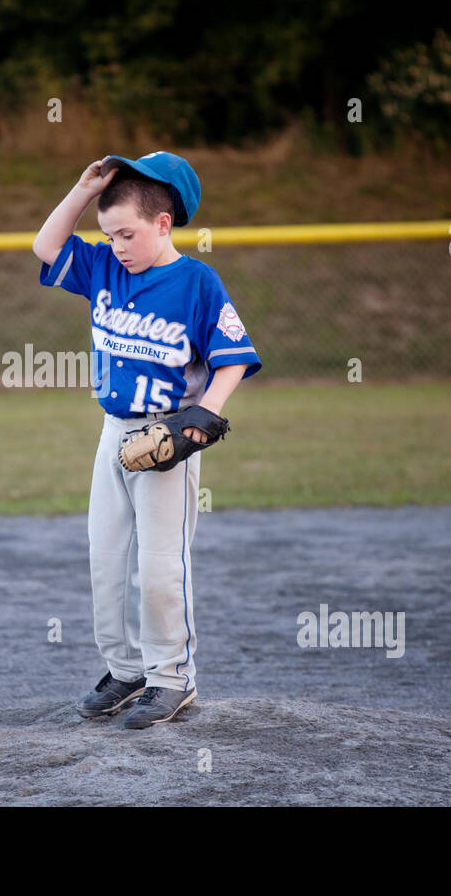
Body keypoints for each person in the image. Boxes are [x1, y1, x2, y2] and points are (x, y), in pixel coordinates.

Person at [31, 151, 262, 728]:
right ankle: (126, 670)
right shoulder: (105, 269)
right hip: (113, 433)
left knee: (160, 565)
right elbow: (45, 247)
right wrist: (83, 192)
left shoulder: (196, 282)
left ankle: (171, 677)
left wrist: (201, 418)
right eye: (108, 236)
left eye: (127, 234)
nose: (117, 247)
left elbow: (232, 359)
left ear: (164, 224)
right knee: (105, 559)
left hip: (167, 437)